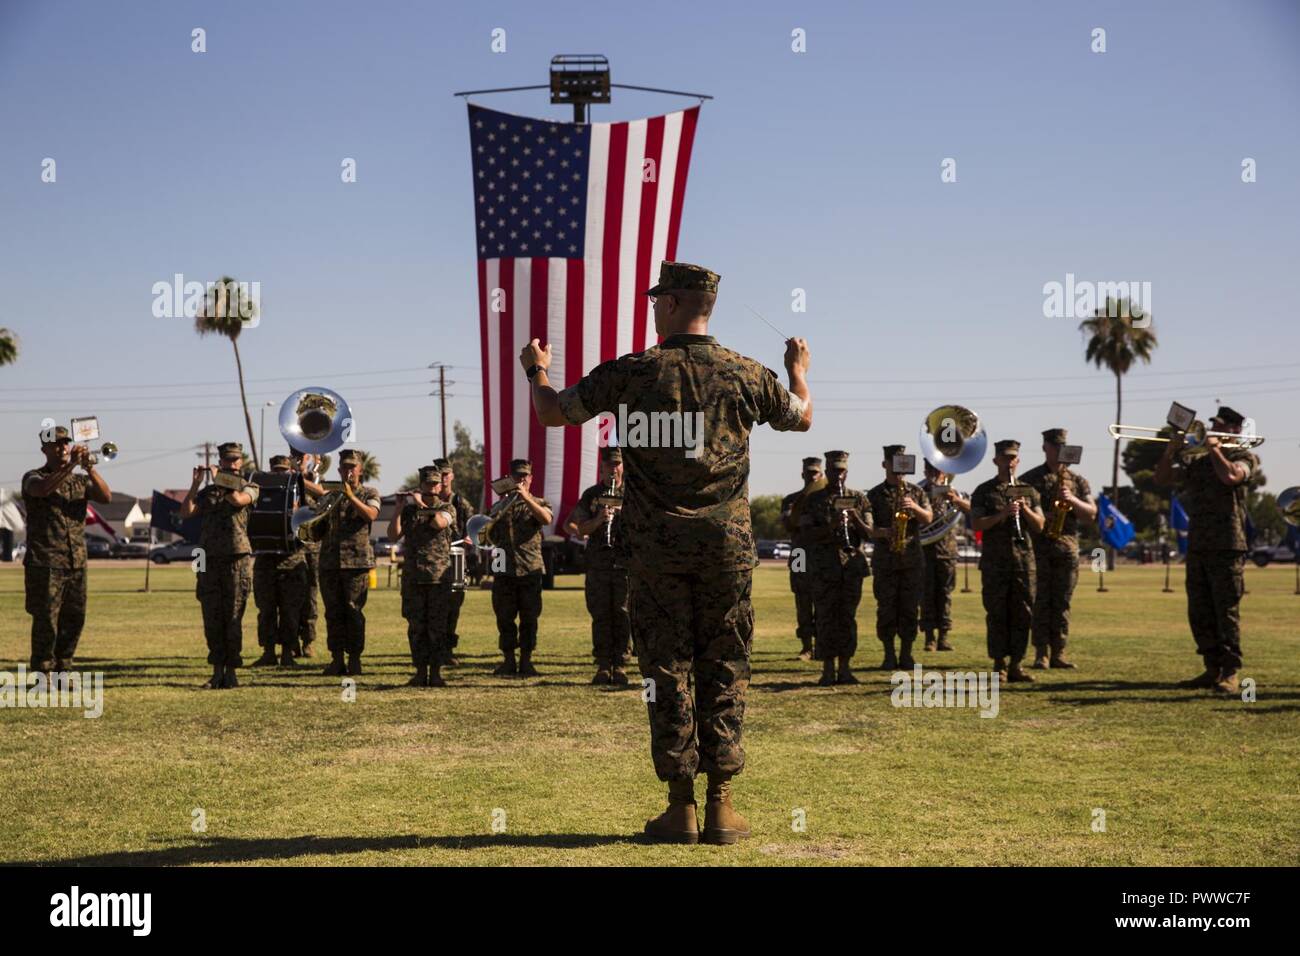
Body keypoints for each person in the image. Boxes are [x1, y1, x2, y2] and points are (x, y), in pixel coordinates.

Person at [520, 259, 813, 845]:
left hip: (654, 555)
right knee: (726, 665)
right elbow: (803, 418)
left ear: (675, 304)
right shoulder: (744, 373)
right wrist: (798, 370)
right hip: (726, 553)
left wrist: (536, 371)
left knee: (665, 671)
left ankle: (680, 807)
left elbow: (552, 411)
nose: (652, 307)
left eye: (658, 299)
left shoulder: (634, 372)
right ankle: (723, 806)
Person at [1154, 406, 1258, 695]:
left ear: (1236, 430)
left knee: (1225, 609)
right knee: (1199, 609)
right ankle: (1211, 667)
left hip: (1228, 544)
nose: (1213, 430)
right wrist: (1170, 451)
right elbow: (1161, 479)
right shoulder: (1197, 462)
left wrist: (1215, 451)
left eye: (1221, 426)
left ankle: (1230, 671)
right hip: (1198, 545)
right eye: (1213, 425)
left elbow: (1231, 477)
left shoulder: (1245, 456)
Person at [21, 425, 112, 673]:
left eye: (65, 443)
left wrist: (89, 468)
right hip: (45, 563)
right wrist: (70, 465)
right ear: (44, 449)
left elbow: (106, 497)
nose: (62, 447)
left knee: (74, 619)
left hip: (76, 562)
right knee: (46, 622)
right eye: (56, 444)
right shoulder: (33, 476)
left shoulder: (79, 480)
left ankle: (64, 668)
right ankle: (43, 672)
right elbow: (42, 490)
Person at [179, 442, 259, 689]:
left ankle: (232, 671)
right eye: (227, 460)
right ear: (222, 460)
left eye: (235, 460)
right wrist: (195, 484)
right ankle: (216, 671)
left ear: (241, 463)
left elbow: (237, 500)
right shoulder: (209, 492)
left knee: (233, 617)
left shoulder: (250, 486)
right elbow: (186, 512)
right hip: (208, 559)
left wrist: (219, 477)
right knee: (212, 616)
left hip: (236, 560)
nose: (232, 464)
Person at [969, 440, 1044, 683]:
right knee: (997, 613)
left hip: (1023, 563)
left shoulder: (1029, 491)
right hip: (995, 563)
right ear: (996, 460)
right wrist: (1002, 514)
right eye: (1004, 457)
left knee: (1023, 613)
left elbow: (1040, 525)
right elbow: (977, 525)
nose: (1009, 462)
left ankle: (1017, 664)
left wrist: (1025, 510)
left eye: (1013, 458)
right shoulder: (984, 491)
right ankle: (999, 663)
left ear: (1018, 461)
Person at [1021, 428, 1095, 669]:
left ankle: (1059, 652)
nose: (1059, 450)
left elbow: (1091, 514)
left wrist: (1072, 499)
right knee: (1040, 601)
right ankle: (1041, 652)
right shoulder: (1030, 479)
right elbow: (1020, 513)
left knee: (1062, 602)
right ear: (1045, 448)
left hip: (1067, 550)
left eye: (1062, 446)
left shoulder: (1078, 480)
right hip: (1039, 548)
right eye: (1054, 446)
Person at [800, 451, 872, 686]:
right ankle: (827, 668)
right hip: (824, 568)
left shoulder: (859, 499)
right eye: (833, 470)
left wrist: (855, 519)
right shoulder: (814, 500)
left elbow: (870, 533)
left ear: (846, 472)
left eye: (841, 470)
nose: (837, 474)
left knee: (847, 618)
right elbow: (806, 533)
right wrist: (830, 526)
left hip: (851, 569)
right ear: (827, 472)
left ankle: (846, 667)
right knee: (825, 618)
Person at [564, 445, 631, 685]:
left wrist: (623, 512)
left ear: (623, 466)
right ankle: (603, 664)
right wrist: (599, 519)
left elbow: (648, 525)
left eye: (617, 464)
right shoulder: (592, 494)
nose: (613, 469)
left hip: (625, 564)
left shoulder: (633, 492)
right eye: (608, 465)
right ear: (601, 468)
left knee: (623, 614)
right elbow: (579, 528)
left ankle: (621, 664)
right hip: (598, 565)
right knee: (600, 614)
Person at [483, 459, 553, 677]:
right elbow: (486, 533)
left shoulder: (540, 502)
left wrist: (526, 498)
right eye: (517, 476)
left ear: (531, 479)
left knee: (529, 618)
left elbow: (546, 519)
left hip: (529, 568)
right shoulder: (499, 506)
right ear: (510, 478)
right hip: (503, 567)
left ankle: (526, 661)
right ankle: (508, 660)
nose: (521, 479)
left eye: (525, 476)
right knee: (504, 618)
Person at [866, 446, 932, 671]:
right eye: (894, 464)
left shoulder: (916, 492)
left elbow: (928, 518)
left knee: (910, 609)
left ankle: (906, 654)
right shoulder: (874, 495)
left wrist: (913, 507)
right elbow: (867, 527)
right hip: (885, 561)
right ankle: (888, 655)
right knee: (886, 609)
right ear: (885, 464)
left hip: (911, 561)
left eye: (902, 465)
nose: (898, 471)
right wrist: (884, 532)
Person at [315, 448, 380, 677]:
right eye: (345, 467)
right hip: (329, 563)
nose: (349, 470)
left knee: (353, 612)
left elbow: (371, 515)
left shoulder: (369, 493)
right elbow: (317, 528)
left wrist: (351, 496)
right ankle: (336, 659)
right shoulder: (329, 495)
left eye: (353, 467)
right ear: (339, 469)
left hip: (356, 563)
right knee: (333, 613)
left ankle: (354, 659)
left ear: (360, 470)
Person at [389, 465, 456, 686]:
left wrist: (420, 503)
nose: (432, 487)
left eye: (436, 483)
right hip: (414, 577)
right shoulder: (409, 512)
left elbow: (438, 522)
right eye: (428, 483)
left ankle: (435, 673)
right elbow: (393, 535)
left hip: (437, 579)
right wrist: (399, 509)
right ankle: (419, 672)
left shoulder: (447, 507)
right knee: (416, 627)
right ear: (421, 484)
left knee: (436, 627)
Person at [250, 455, 308, 668]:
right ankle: (268, 652)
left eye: (284, 470)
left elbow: (312, 521)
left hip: (291, 561)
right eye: (276, 470)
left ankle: (287, 654)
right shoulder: (257, 492)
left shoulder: (299, 493)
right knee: (265, 610)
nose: (279, 474)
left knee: (290, 611)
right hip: (265, 559)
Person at [917, 459, 969, 652]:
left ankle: (944, 637)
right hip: (925, 551)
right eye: (930, 469)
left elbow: (971, 511)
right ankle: (929, 637)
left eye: (937, 470)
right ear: (925, 470)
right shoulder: (919, 492)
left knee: (945, 595)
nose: (934, 473)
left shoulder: (954, 491)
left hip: (947, 552)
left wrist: (955, 500)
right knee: (927, 595)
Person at [780, 456, 825, 660]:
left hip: (820, 554)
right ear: (802, 474)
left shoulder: (826, 498)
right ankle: (806, 646)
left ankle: (822, 645)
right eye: (808, 473)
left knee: (823, 600)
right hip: (799, 554)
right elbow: (789, 525)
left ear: (821, 474)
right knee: (802, 600)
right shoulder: (791, 499)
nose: (812, 477)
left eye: (815, 473)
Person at [435, 457, 476, 664]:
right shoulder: (428, 501)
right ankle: (435, 649)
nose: (442, 479)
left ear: (451, 476)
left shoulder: (460, 503)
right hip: (434, 561)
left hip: (458, 561)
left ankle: (447, 650)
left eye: (445, 474)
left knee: (454, 607)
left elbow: (474, 528)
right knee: (435, 606)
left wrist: (471, 538)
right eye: (438, 474)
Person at [292, 451, 325, 658]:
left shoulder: (312, 479)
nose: (300, 458)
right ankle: (291, 640)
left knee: (310, 594)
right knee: (290, 596)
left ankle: (308, 641)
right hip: (292, 546)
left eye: (303, 455)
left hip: (312, 545)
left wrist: (301, 475)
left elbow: (322, 493)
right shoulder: (288, 477)